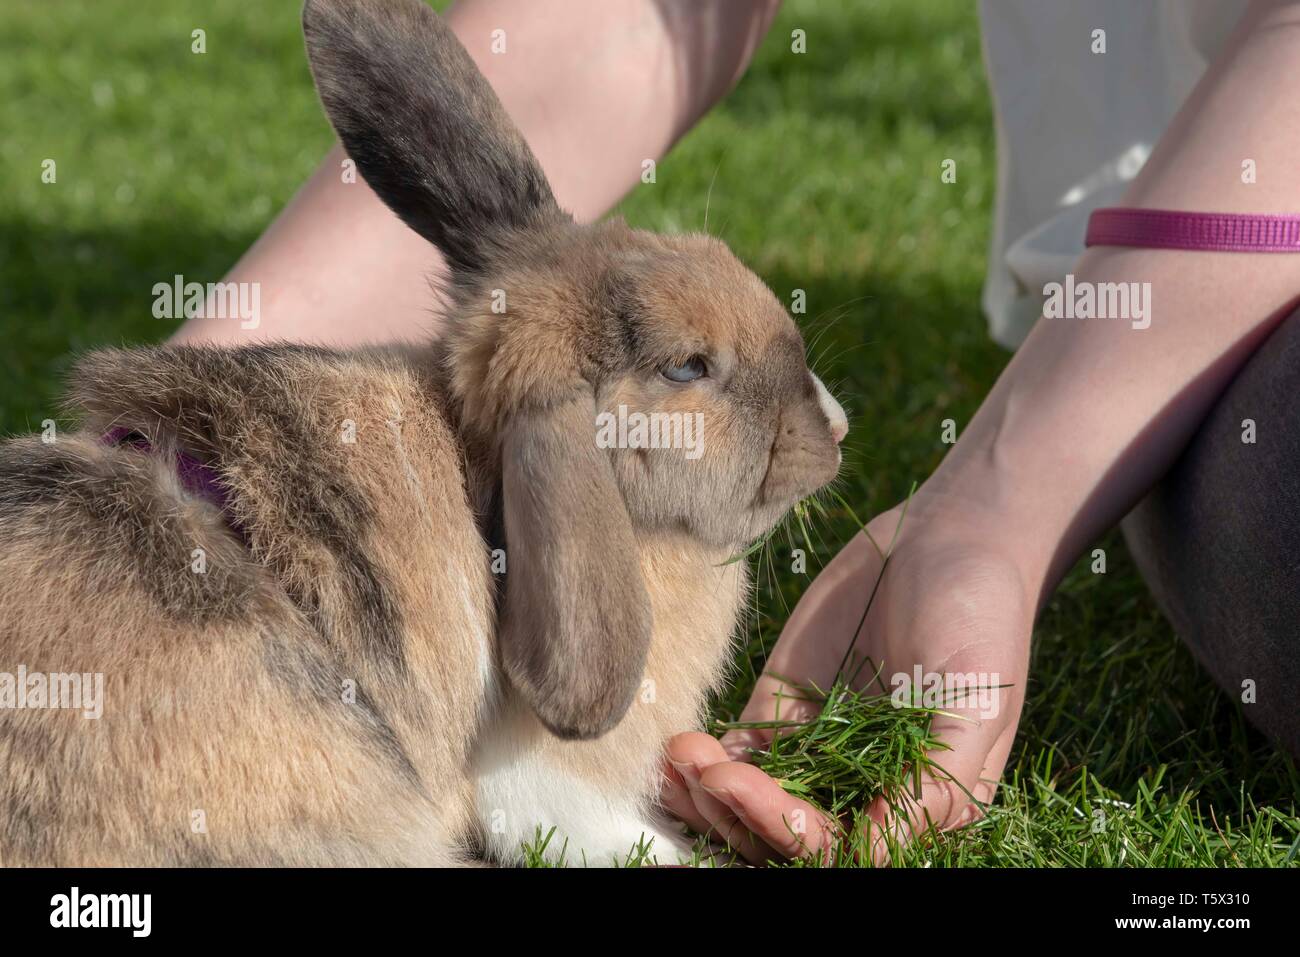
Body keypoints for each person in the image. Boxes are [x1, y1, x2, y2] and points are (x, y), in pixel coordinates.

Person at [172, 0, 1300, 863]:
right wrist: (201, 425)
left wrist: (1002, 509)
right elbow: (655, 19)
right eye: (697, 372)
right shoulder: (557, 448)